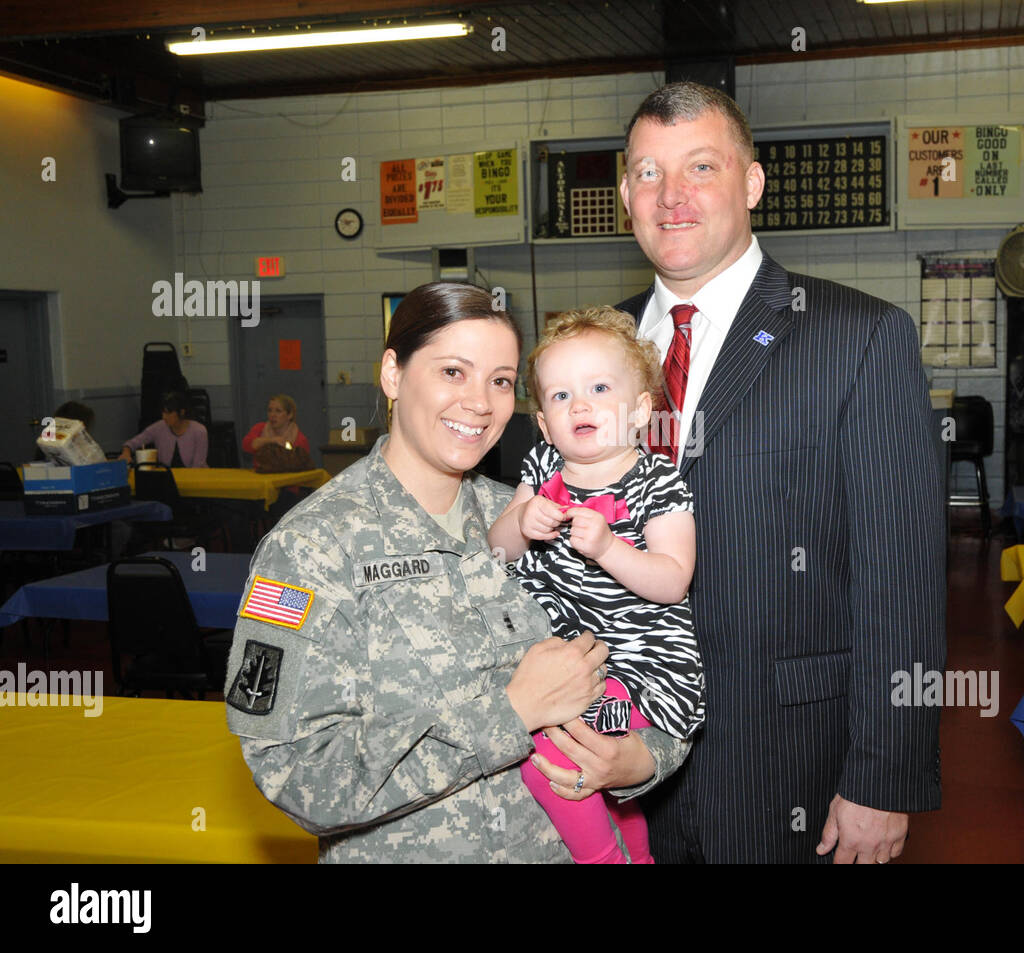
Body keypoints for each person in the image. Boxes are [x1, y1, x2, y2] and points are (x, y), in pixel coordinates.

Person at [224, 281, 690, 863]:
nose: (480, 402)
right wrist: (510, 714)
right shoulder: (310, 548)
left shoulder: (536, 516)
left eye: (499, 380)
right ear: (393, 375)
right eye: (452, 372)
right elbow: (292, 772)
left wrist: (643, 758)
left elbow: (655, 647)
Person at [615, 82, 946, 863]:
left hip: (788, 764)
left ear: (752, 183)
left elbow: (902, 580)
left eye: (700, 167)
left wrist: (884, 775)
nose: (672, 197)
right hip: (619, 767)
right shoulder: (596, 348)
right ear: (626, 191)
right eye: (648, 173)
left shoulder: (859, 338)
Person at [487, 306, 703, 864]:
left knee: (552, 754)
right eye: (559, 396)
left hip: (638, 656)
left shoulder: (657, 481)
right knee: (586, 757)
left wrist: (610, 548)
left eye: (599, 388)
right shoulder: (542, 470)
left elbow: (674, 579)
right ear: (542, 424)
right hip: (564, 655)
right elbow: (498, 552)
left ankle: (601, 858)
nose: (578, 404)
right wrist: (521, 521)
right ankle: (635, 854)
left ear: (639, 410)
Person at [119, 391, 208, 468]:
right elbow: (133, 443)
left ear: (181, 412)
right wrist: (126, 452)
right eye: (163, 412)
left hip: (194, 479)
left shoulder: (199, 431)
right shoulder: (159, 427)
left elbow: (198, 465)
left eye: (168, 413)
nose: (164, 417)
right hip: (167, 479)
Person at [242, 394, 310, 463]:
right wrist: (272, 440)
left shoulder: (300, 439)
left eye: (278, 411)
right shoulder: (259, 428)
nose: (272, 415)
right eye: (270, 410)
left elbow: (303, 463)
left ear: (290, 415)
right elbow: (246, 445)